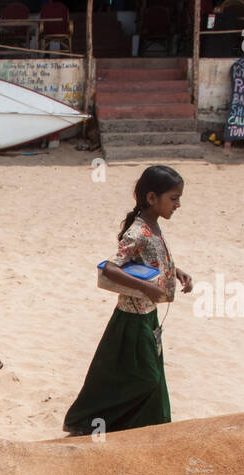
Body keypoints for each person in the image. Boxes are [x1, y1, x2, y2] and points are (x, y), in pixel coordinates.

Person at [63, 165, 194, 435]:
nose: (178, 204)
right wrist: (145, 288)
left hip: (149, 316)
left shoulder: (153, 225)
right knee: (146, 378)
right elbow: (110, 268)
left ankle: (145, 427)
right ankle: (100, 422)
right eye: (174, 198)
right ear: (151, 198)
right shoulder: (137, 232)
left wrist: (176, 272)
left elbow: (150, 261)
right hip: (131, 319)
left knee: (146, 376)